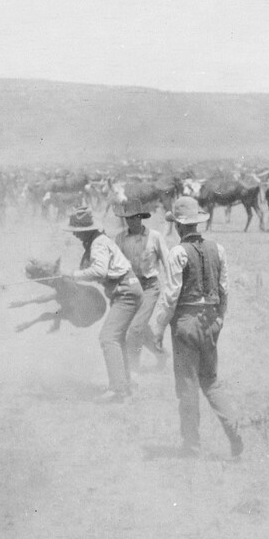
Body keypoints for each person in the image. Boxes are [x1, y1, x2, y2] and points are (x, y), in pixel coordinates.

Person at [149, 196, 244, 458]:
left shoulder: (178, 253)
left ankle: (191, 445)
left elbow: (170, 296)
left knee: (188, 386)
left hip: (186, 323)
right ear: (198, 224)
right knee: (211, 381)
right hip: (212, 320)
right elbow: (224, 289)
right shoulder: (218, 249)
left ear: (179, 226)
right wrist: (220, 317)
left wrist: (157, 329)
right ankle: (233, 426)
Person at [67, 207, 143, 403]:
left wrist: (74, 275)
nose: (74, 234)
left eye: (76, 230)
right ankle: (125, 386)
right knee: (117, 339)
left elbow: (99, 271)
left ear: (86, 230)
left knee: (108, 338)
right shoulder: (97, 240)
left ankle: (118, 390)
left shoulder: (98, 243)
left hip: (126, 291)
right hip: (128, 290)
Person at [114, 199, 173, 373]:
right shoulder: (120, 238)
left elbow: (167, 262)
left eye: (134, 217)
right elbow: (115, 263)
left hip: (149, 287)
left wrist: (171, 288)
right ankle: (161, 353)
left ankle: (133, 368)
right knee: (136, 326)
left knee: (135, 327)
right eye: (127, 218)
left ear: (141, 218)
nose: (131, 221)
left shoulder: (155, 237)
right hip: (130, 288)